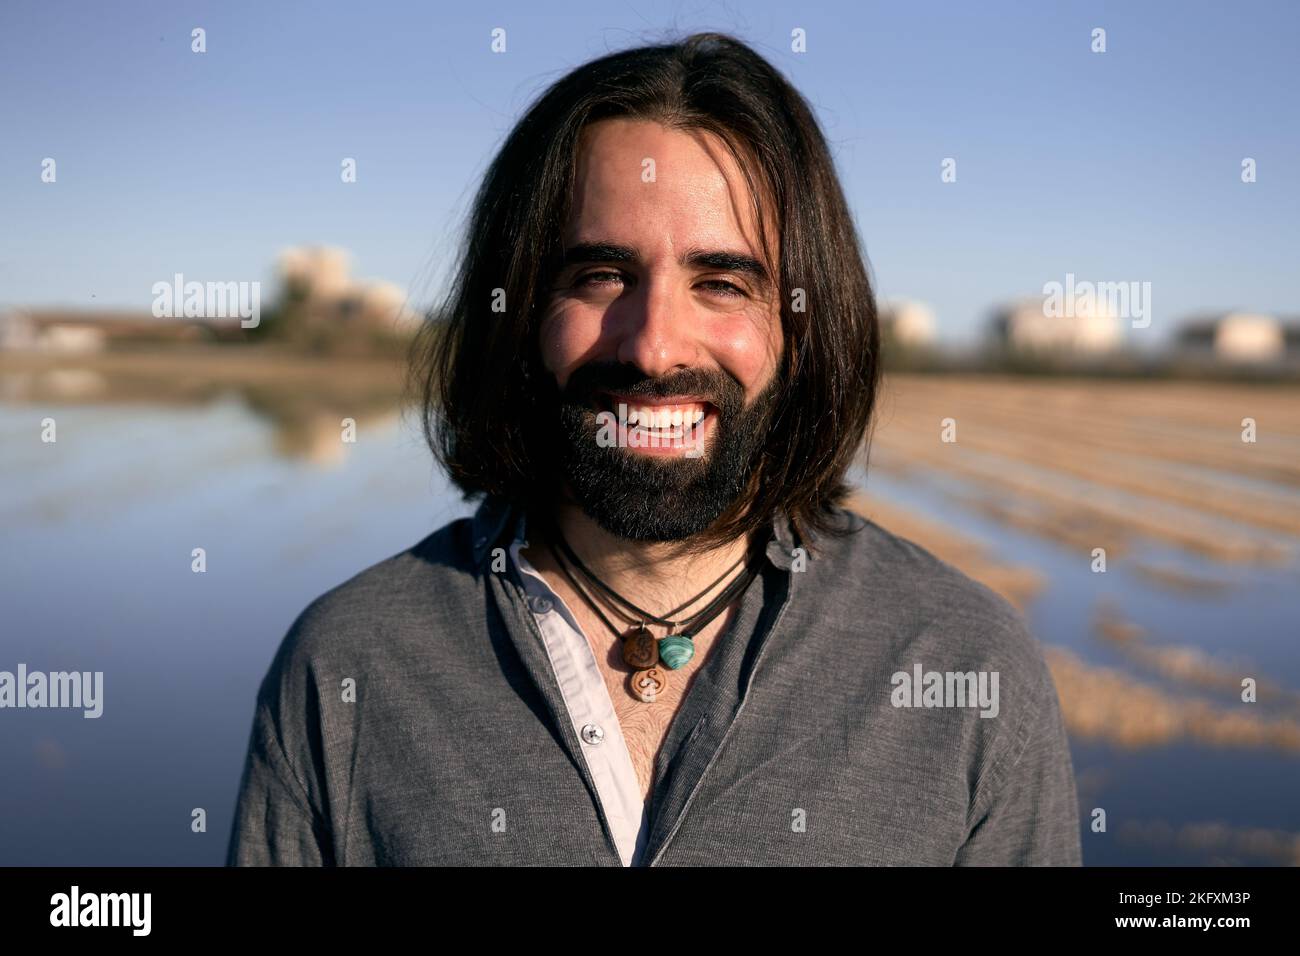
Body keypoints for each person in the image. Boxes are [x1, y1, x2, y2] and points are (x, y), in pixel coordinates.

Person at [227, 32, 1081, 866]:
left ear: (804, 325)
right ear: (520, 312)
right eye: (600, 276)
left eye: (721, 283)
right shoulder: (347, 664)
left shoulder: (967, 667)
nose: (654, 347)